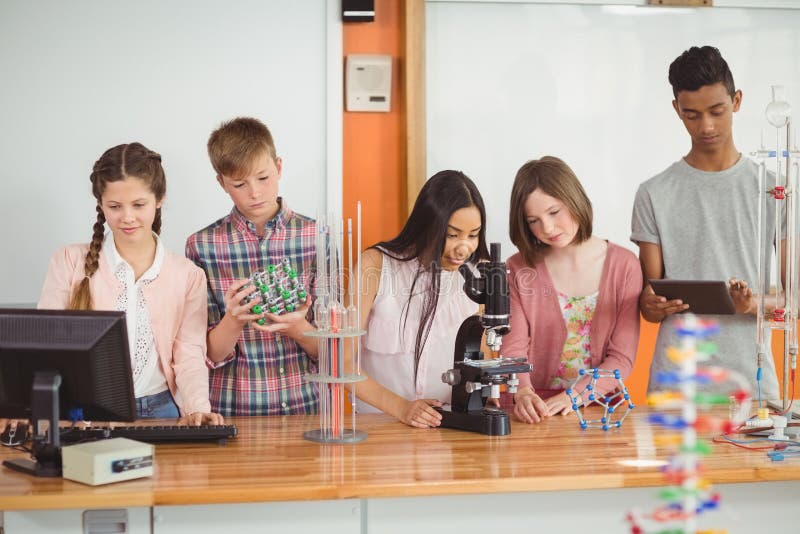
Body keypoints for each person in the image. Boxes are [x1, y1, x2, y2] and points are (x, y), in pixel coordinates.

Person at [630, 45, 780, 399]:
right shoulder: (653, 193)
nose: (707, 126)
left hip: (752, 385)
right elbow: (651, 300)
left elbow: (795, 298)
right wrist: (650, 304)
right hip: (676, 385)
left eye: (717, 111)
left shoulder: (775, 190)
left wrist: (751, 305)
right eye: (692, 115)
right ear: (677, 110)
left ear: (737, 101)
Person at [38, 143, 222, 425]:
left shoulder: (187, 275)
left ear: (159, 199)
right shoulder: (69, 261)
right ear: (101, 204)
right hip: (86, 411)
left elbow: (189, 353)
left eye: (138, 205)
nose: (127, 217)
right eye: (114, 206)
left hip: (161, 410)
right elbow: (46, 345)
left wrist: (197, 407)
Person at [185, 117, 318, 417]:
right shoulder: (202, 246)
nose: (255, 193)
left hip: (305, 409)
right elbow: (204, 353)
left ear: (279, 167)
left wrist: (298, 328)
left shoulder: (316, 237)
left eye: (263, 177)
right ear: (221, 183)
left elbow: (334, 350)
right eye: (239, 184)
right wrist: (233, 320)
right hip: (232, 411)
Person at [502, 156, 641, 424]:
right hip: (532, 410)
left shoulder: (625, 265)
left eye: (554, 212)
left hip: (600, 410)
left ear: (574, 199)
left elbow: (622, 358)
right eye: (533, 220)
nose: (547, 228)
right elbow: (513, 348)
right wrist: (523, 393)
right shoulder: (518, 268)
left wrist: (574, 396)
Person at [352, 170, 489, 428]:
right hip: (378, 428)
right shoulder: (376, 265)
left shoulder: (476, 273)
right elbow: (342, 361)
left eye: (473, 235)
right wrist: (402, 409)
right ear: (428, 225)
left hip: (447, 429)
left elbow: (482, 359)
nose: (464, 247)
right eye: (452, 235)